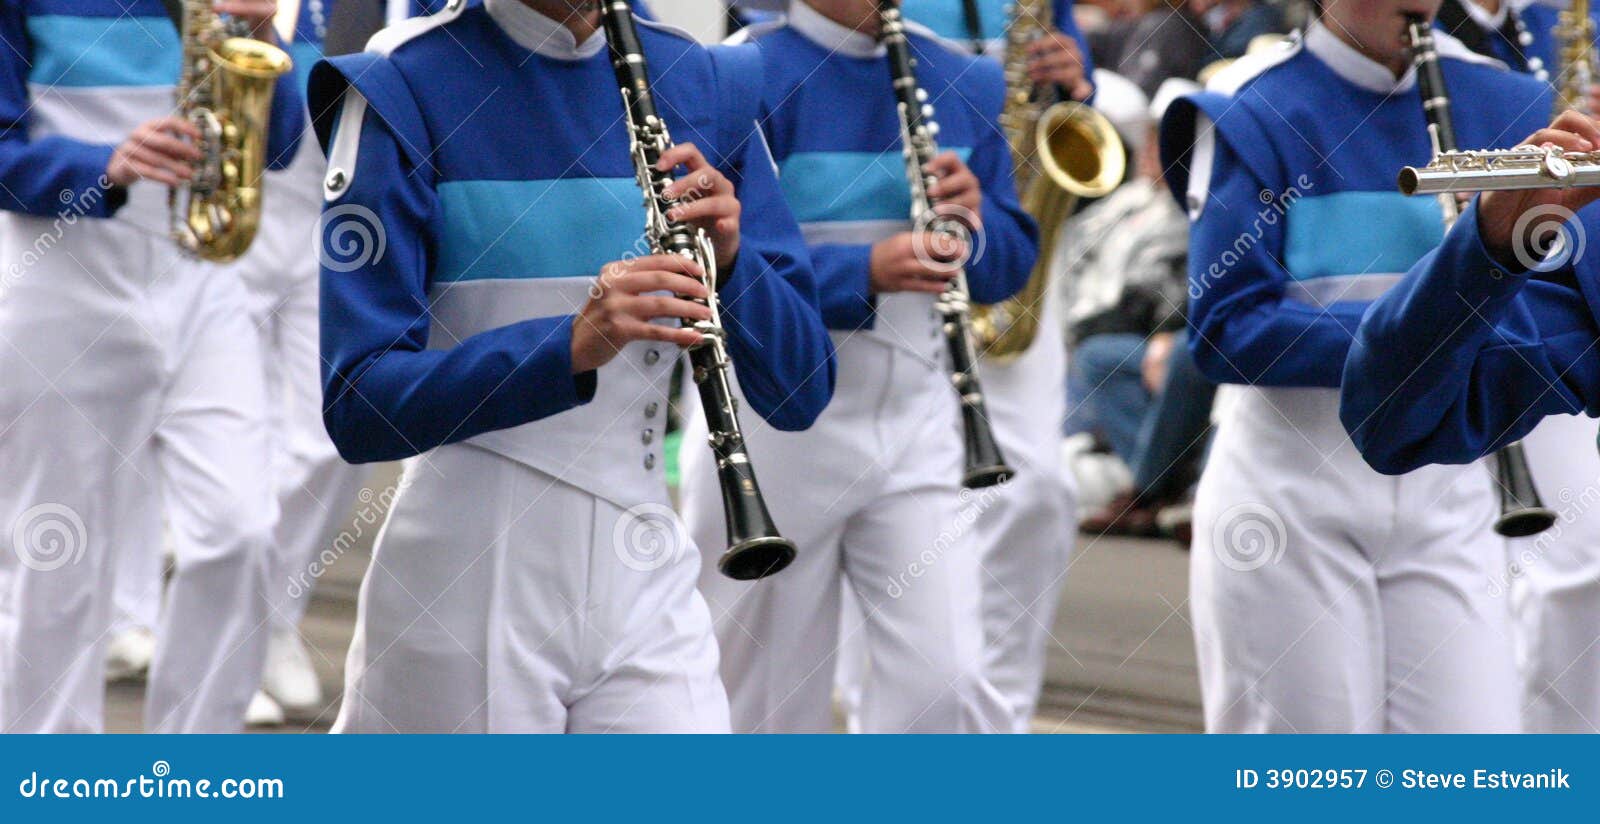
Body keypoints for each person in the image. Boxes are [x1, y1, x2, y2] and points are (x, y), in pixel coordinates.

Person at [308, 0, 834, 733]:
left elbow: (802, 389)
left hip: (646, 562)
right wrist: (567, 346)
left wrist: (735, 263)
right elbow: (359, 403)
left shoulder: (701, 79)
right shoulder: (401, 85)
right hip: (470, 574)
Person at [1160, 0, 1547, 732]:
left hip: (1448, 489)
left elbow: (1552, 305)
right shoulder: (1252, 101)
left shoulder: (1508, 98)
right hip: (1290, 495)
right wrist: (1422, 329)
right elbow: (1225, 326)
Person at [680, 0, 1037, 733]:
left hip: (920, 420)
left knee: (949, 686)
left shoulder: (961, 75)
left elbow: (1009, 260)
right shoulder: (742, 73)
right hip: (772, 432)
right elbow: (723, 259)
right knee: (763, 708)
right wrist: (862, 270)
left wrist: (977, 229)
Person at [0, 0, 303, 733]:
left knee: (242, 529)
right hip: (60, 278)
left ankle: (188, 771)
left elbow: (285, 145)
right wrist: (103, 163)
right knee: (56, 561)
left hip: (198, 276)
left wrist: (263, 33)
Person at [887, 0, 1093, 733]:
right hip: (898, 209)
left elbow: (1069, 62)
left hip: (1011, 229)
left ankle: (1000, 722)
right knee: (896, 498)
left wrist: (1075, 80)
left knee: (1035, 490)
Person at [1066, 77, 1213, 538]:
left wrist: (1167, 335)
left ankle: (1145, 491)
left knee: (1180, 359)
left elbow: (1188, 291)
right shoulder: (1127, 202)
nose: (1152, 152)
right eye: (1150, 140)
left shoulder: (1197, 207)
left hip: (1184, 336)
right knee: (1098, 357)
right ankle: (1159, 490)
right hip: (1112, 329)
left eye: (1164, 142)